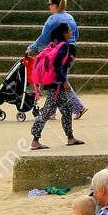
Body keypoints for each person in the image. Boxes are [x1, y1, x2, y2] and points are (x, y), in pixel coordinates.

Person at [29, 22, 82, 150]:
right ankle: (35, 141)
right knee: (47, 111)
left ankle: (70, 138)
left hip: (54, 83)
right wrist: (63, 82)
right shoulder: (64, 46)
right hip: (57, 84)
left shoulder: (56, 44)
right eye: (69, 30)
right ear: (64, 33)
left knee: (67, 109)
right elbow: (58, 65)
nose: (71, 32)